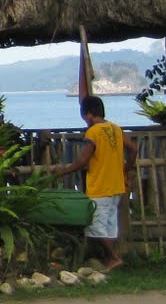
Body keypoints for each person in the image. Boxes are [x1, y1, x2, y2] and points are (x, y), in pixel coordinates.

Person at [49, 94, 137, 271]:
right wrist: (126, 169)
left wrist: (63, 171)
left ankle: (113, 257)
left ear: (88, 114)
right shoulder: (115, 128)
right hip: (117, 186)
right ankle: (108, 259)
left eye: (84, 117)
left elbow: (83, 161)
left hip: (100, 187)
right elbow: (133, 149)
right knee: (110, 225)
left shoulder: (93, 132)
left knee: (95, 226)